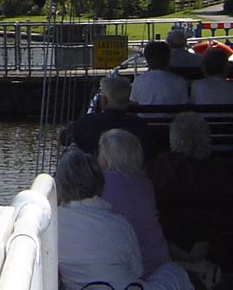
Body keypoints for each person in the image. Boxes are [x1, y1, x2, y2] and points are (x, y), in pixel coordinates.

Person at [55, 147, 193, 290]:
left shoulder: (55, 223)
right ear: (98, 182)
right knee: (175, 271)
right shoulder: (119, 223)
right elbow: (137, 270)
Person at [147, 112, 233, 273]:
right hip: (213, 246)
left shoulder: (160, 166)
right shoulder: (222, 170)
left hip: (169, 241)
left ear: (174, 137)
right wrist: (205, 242)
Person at [98, 129, 172, 276]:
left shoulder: (101, 184)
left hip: (128, 269)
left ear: (107, 158)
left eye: (99, 153)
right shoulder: (146, 184)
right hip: (159, 265)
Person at [61, 75, 157, 160]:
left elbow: (63, 138)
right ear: (129, 101)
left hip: (97, 176)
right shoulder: (141, 125)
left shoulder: (88, 123)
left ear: (104, 101)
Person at [131, 41, 189, 107]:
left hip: (145, 116)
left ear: (147, 59)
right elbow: (184, 106)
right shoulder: (179, 81)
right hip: (172, 117)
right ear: (169, 59)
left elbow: (134, 106)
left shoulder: (139, 81)